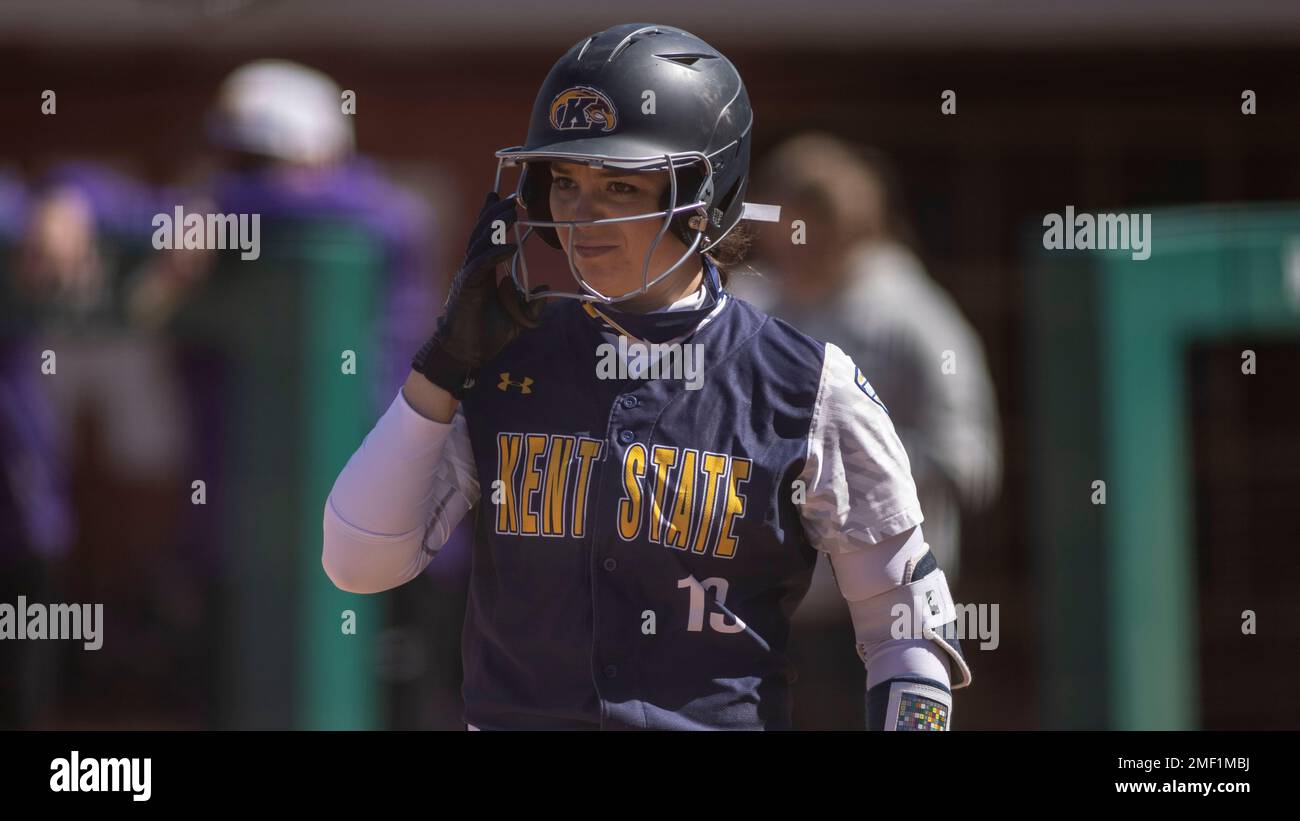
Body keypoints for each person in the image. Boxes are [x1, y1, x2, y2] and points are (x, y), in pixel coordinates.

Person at [322, 23, 970, 731]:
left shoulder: (808, 383)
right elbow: (358, 562)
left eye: (621, 185)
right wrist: (439, 368)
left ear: (704, 196)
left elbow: (908, 631)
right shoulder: (496, 362)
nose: (582, 215)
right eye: (564, 183)